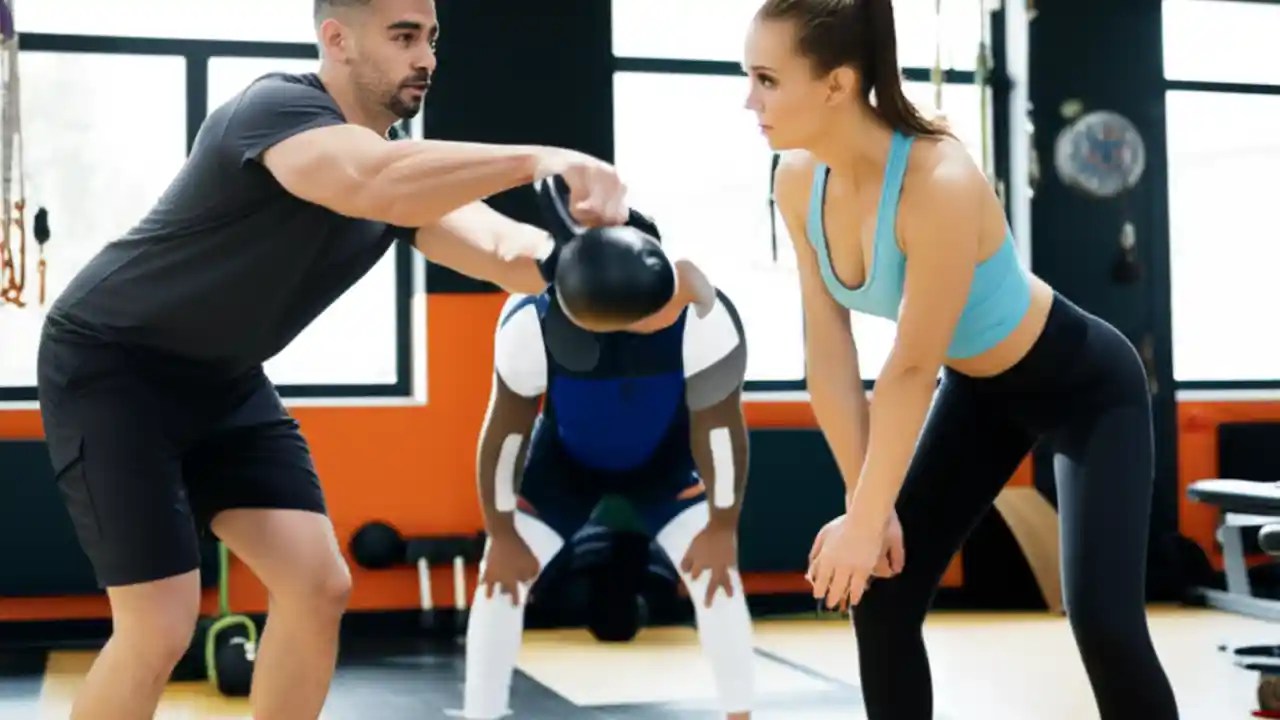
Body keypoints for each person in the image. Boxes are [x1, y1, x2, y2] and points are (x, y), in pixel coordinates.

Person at [33, 0, 632, 718]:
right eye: (404, 37)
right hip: (114, 367)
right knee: (158, 625)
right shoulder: (276, 110)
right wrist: (541, 159)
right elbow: (369, 179)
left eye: (431, 39)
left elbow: (502, 250)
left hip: (222, 382)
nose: (426, 58)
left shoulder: (400, 169)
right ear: (337, 39)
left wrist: (579, 263)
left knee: (317, 586)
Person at [742, 1, 1180, 719]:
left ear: (836, 84)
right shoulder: (796, 179)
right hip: (979, 393)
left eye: (766, 79)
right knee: (882, 597)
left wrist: (869, 517)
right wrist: (866, 507)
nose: (749, 100)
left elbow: (911, 367)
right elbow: (828, 349)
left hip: (1085, 388)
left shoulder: (939, 182)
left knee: (1104, 623)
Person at [460, 235, 756, 720]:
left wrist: (722, 526)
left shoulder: (704, 316)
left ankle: (740, 715)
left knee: (718, 579)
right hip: (562, 468)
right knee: (499, 582)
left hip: (665, 465)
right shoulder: (530, 321)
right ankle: (481, 714)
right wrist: (501, 532)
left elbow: (719, 426)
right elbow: (507, 431)